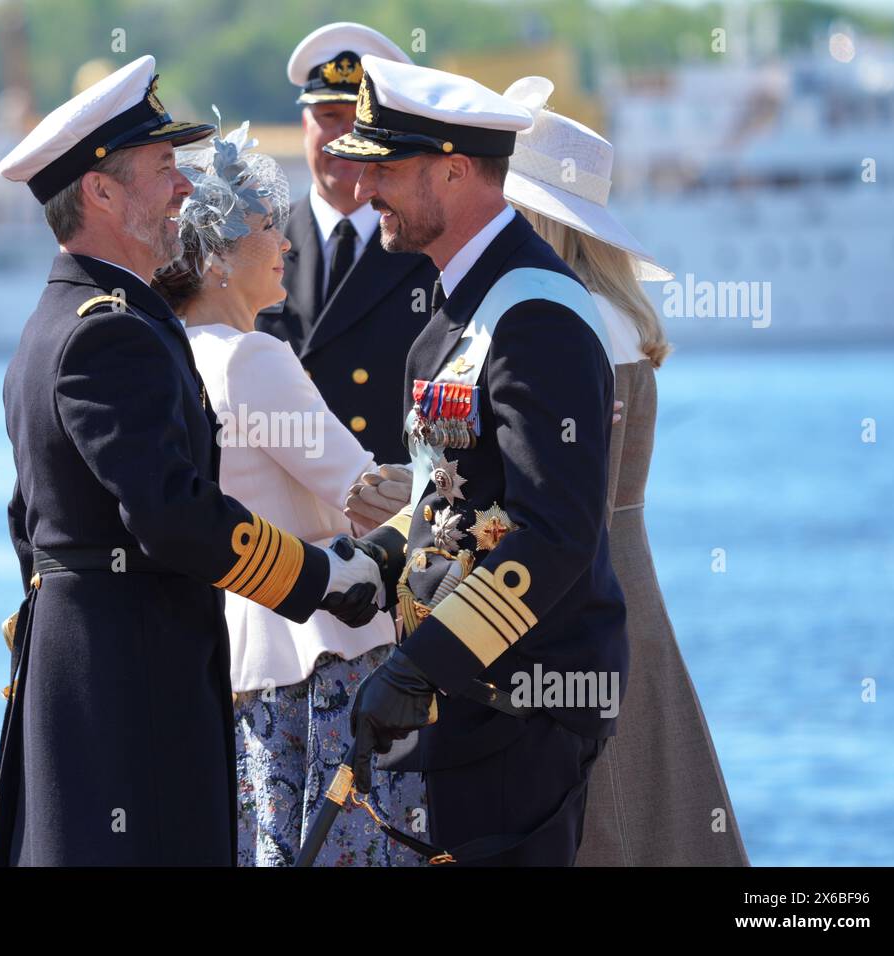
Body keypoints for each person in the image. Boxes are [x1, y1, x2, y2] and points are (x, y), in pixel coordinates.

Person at [0, 55, 382, 866]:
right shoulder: (106, 331)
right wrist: (323, 580)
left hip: (99, 661)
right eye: (165, 169)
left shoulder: (76, 318)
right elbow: (170, 513)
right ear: (99, 191)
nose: (184, 190)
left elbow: (26, 523)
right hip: (128, 674)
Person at [320, 55, 628, 866]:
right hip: (471, 698)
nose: (363, 189)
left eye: (385, 168)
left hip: (522, 700)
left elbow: (555, 530)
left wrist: (426, 663)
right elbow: (447, 506)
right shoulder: (462, 307)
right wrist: (348, 569)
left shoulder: (536, 316)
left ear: (455, 172)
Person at [151, 115, 426, 866]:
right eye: (271, 229)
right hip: (325, 653)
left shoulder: (174, 352)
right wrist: (452, 471)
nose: (288, 245)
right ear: (217, 260)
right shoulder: (252, 358)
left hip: (242, 653)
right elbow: (366, 494)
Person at [499, 77, 750, 866]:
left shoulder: (565, 316)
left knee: (603, 807)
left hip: (574, 580)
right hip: (620, 566)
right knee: (651, 793)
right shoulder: (611, 314)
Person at [256, 22, 439, 467]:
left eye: (359, 122)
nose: (342, 139)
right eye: (328, 118)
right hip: (276, 520)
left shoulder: (429, 249)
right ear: (304, 124)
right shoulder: (252, 242)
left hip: (393, 511)